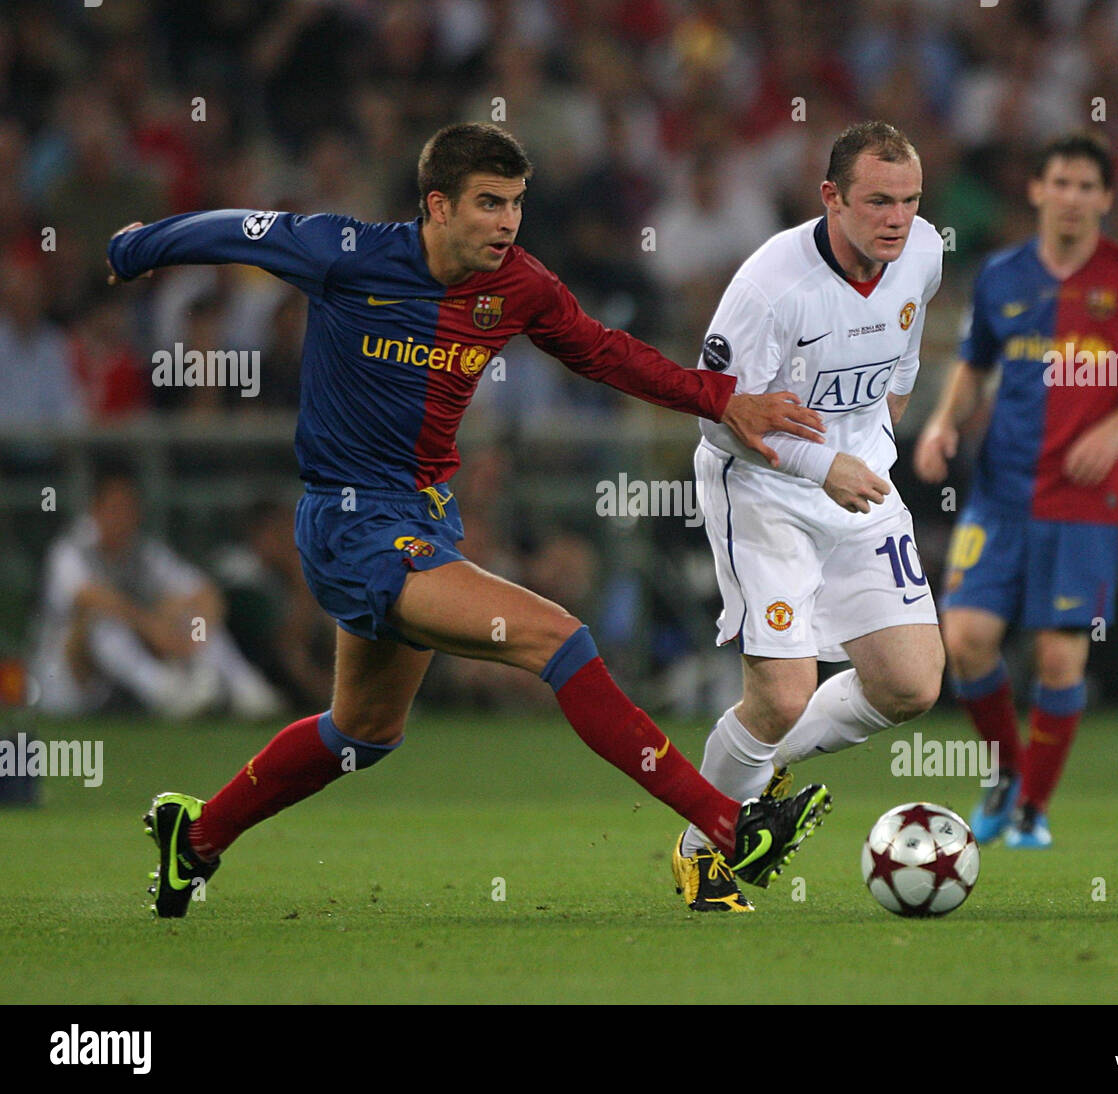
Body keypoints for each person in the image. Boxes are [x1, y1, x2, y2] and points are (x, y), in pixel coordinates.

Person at [105, 122, 832, 918]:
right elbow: (243, 231)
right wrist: (139, 248)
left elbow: (607, 352)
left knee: (364, 731)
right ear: (437, 205)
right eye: (488, 204)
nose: (506, 223)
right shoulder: (347, 253)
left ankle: (196, 838)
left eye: (516, 204)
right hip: (351, 524)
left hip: (423, 520)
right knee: (559, 637)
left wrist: (722, 397)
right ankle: (728, 827)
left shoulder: (519, 286)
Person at [673, 121, 946, 912]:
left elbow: (907, 341)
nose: (896, 219)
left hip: (861, 484)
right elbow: (716, 419)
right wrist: (824, 465)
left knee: (910, 683)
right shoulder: (769, 288)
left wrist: (882, 420)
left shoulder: (922, 250)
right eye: (876, 202)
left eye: (909, 200)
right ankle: (704, 845)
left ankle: (753, 774)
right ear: (830, 197)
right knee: (784, 691)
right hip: (764, 492)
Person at [914, 132, 1118, 848]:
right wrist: (944, 422)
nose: (1071, 197)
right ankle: (1006, 771)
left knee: (1060, 658)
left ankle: (1034, 808)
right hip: (1001, 491)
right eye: (1059, 182)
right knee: (966, 640)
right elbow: (973, 365)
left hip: (1081, 500)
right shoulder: (1001, 276)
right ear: (1037, 190)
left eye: (1085, 186)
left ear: (1105, 199)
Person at [33, 463, 281, 720]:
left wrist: (191, 633)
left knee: (190, 615)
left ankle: (244, 687)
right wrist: (153, 625)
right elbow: (90, 596)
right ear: (95, 510)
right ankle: (166, 691)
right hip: (67, 682)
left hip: (120, 682)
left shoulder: (143, 551)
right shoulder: (70, 548)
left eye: (129, 508)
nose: (123, 517)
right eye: (115, 508)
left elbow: (205, 592)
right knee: (103, 622)